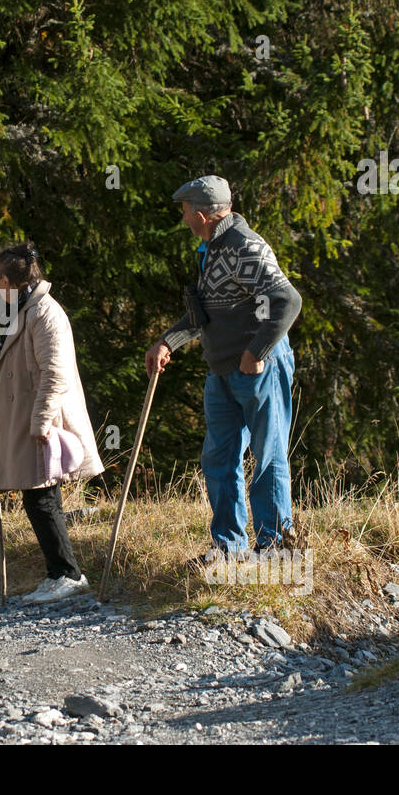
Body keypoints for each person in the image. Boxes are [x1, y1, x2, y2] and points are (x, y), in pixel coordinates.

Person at [144, 176, 302, 556]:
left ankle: (276, 549)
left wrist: (257, 351)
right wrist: (168, 341)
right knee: (219, 457)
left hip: (259, 368)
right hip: (223, 371)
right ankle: (229, 547)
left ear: (201, 214)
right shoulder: (212, 248)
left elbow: (287, 301)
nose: (184, 219)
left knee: (268, 455)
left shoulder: (244, 246)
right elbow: (204, 314)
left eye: (185, 212)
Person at [0, 242, 105, 603]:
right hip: (28, 419)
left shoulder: (45, 313)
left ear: (9, 281)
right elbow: (21, 362)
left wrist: (42, 423)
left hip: (40, 423)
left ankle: (68, 575)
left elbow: (55, 373)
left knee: (41, 499)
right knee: (39, 498)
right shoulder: (26, 310)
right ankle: (59, 572)